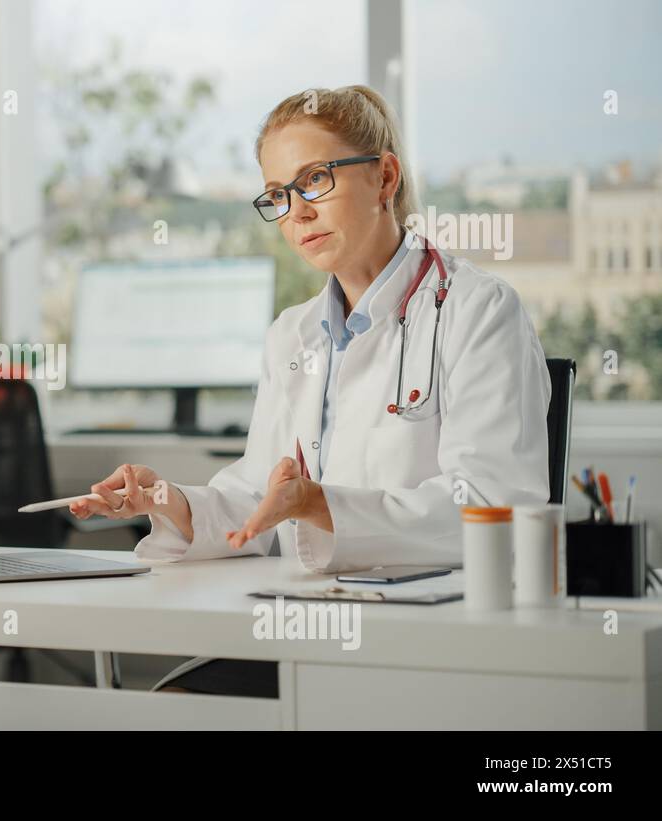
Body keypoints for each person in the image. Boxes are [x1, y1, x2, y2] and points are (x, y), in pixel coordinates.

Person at [69, 85, 551, 696]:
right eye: (277, 194)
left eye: (315, 179)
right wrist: (166, 501)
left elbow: (492, 509)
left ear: (384, 178)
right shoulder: (292, 333)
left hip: (425, 643)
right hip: (298, 624)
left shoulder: (477, 310)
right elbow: (254, 500)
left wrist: (318, 504)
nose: (295, 211)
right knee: (174, 707)